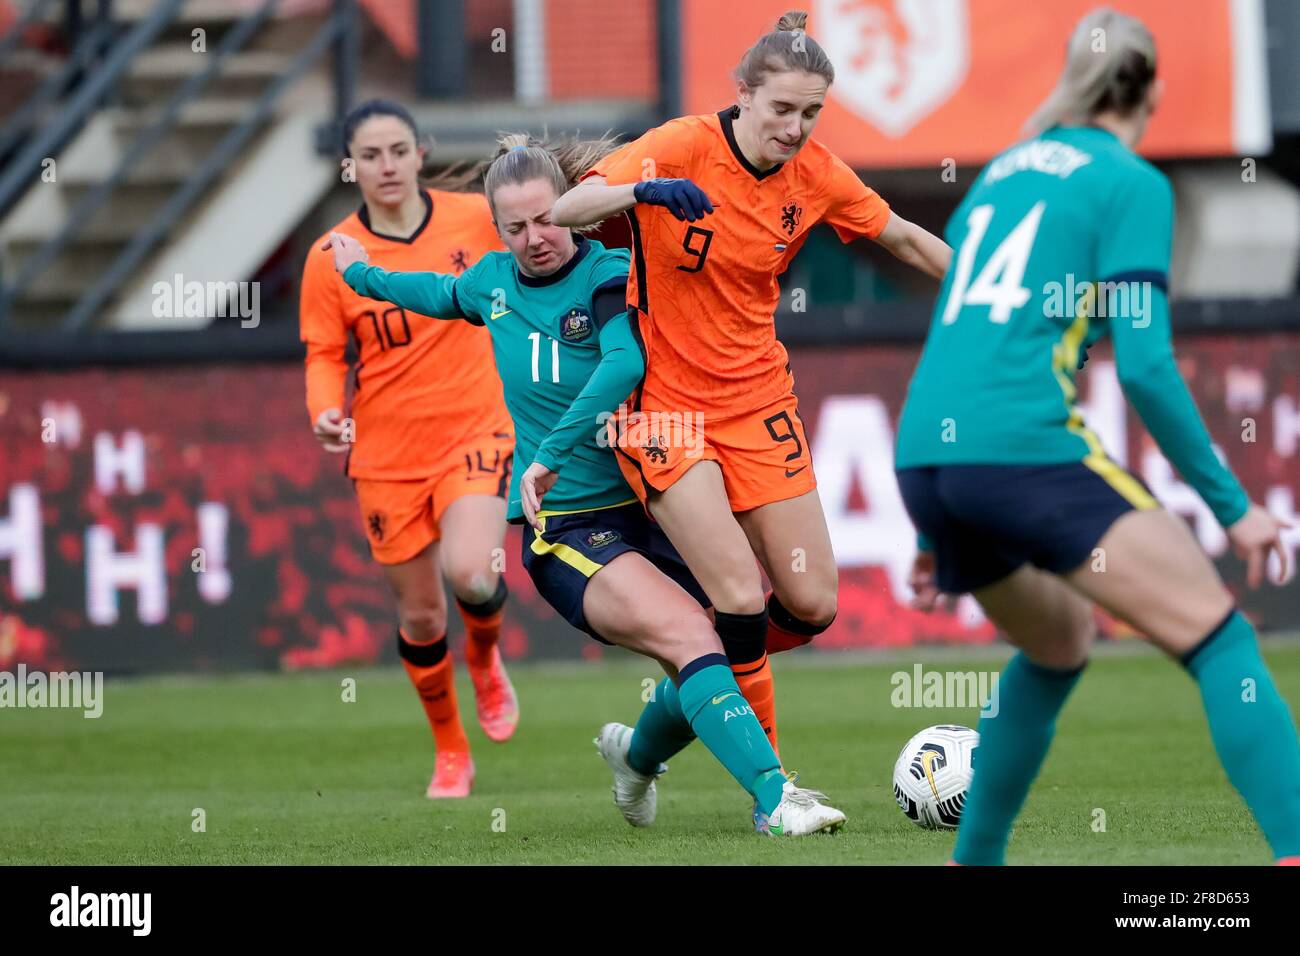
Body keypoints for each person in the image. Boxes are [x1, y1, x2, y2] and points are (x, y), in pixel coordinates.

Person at [322, 132, 846, 836]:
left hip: (647, 507)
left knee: (726, 633)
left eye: (547, 219)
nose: (536, 238)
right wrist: (360, 276)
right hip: (569, 528)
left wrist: (547, 453)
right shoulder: (491, 284)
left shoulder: (607, 275)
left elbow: (623, 366)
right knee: (697, 634)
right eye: (515, 227)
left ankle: (636, 755)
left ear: (569, 209)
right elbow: (438, 292)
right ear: (497, 227)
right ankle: (775, 800)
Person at [893, 8, 1299, 865]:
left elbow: (956, 341)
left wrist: (935, 526)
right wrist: (1235, 510)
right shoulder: (1130, 182)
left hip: (927, 452)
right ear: (1148, 88)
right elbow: (1147, 366)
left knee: (1057, 642)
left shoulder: (1000, 176)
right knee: (1218, 636)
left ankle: (978, 860)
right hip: (1020, 446)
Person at [551, 9, 951, 767]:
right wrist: (646, 194)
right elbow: (567, 210)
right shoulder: (681, 146)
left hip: (759, 402)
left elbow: (899, 235)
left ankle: (681, 705)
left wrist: (994, 299)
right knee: (735, 595)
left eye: (811, 113)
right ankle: (772, 785)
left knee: (811, 605)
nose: (796, 127)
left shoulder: (818, 175)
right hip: (666, 410)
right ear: (742, 94)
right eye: (781, 109)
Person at [300, 100, 519, 800]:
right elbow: (324, 354)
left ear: (421, 151)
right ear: (349, 166)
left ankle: (484, 656)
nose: (387, 166)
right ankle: (451, 749)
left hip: (475, 427)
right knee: (421, 616)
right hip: (387, 455)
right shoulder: (331, 255)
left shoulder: (475, 220)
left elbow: (536, 261)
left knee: (474, 575)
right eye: (370, 155)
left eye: (398, 150)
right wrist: (325, 411)